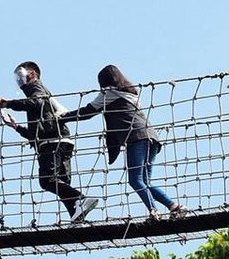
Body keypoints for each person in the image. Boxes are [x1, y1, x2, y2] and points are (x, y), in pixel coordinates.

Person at [59, 64, 187, 218]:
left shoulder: (110, 93)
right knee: (145, 182)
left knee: (135, 180)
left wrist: (63, 117)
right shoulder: (131, 93)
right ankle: (175, 207)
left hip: (136, 138)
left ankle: (154, 211)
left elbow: (87, 112)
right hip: (151, 138)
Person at [0, 61, 100, 224]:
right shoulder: (36, 96)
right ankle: (77, 213)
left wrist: (9, 103)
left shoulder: (37, 89)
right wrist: (16, 126)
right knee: (61, 183)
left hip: (53, 142)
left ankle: (81, 199)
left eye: (22, 77)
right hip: (60, 140)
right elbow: (35, 133)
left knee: (47, 180)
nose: (20, 83)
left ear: (33, 74)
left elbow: (37, 103)